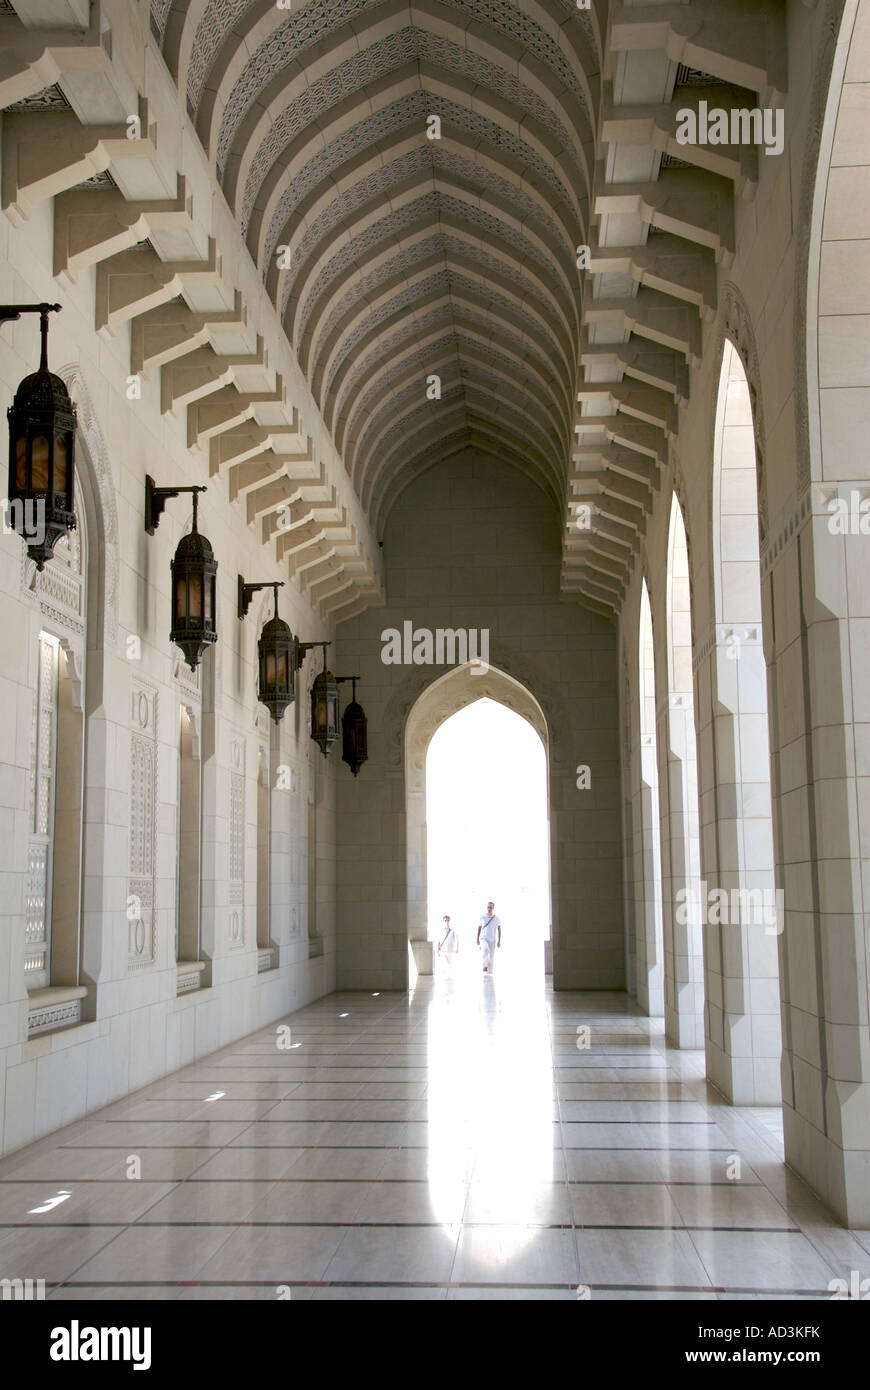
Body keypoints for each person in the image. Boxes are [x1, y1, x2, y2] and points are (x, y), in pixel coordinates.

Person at [476, 901, 501, 974]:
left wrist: (499, 941)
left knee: (491, 957)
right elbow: (479, 927)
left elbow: (499, 929)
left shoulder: (496, 918)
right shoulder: (482, 917)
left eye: (490, 907)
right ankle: (484, 966)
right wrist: (477, 938)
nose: (489, 908)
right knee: (485, 949)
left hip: (492, 940)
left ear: (493, 908)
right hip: (483, 938)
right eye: (488, 907)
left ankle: (490, 972)